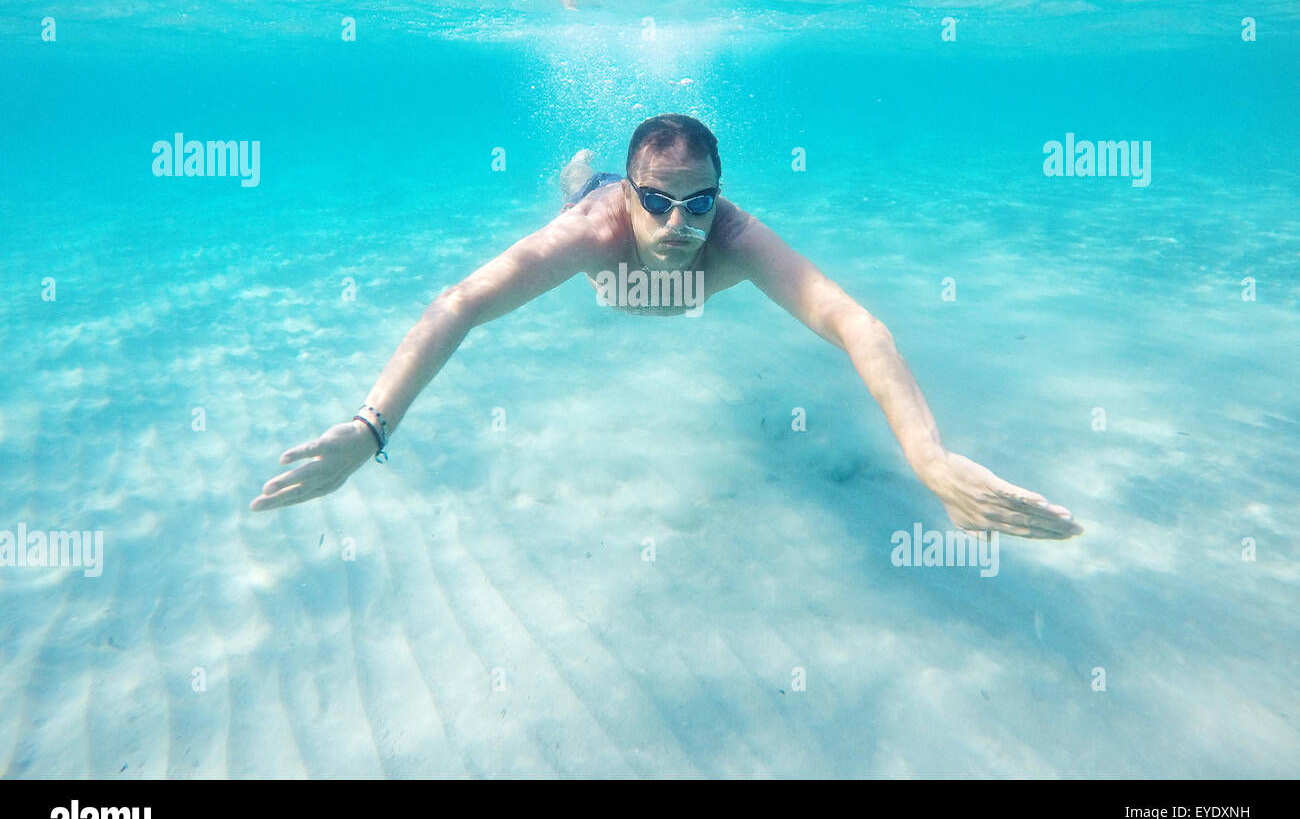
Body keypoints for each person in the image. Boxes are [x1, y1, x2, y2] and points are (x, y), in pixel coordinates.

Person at [251, 114, 1080, 542]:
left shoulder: (735, 237)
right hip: (590, 199)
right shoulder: (590, 231)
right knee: (578, 181)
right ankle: (584, 169)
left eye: (699, 199)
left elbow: (856, 323)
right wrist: (371, 426)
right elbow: (459, 303)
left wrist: (927, 457)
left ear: (720, 192)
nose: (679, 220)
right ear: (631, 198)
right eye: (655, 198)